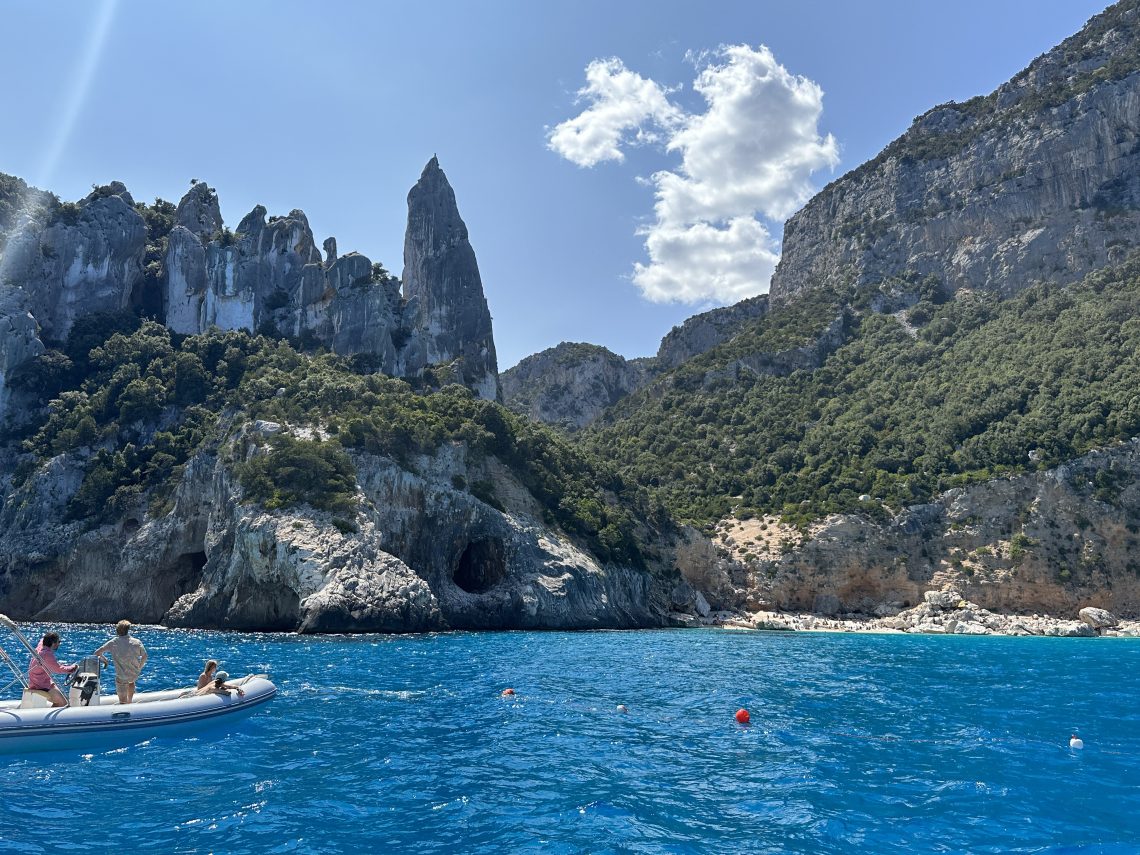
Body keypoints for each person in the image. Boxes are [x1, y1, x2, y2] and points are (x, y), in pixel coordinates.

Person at [94, 620, 148, 704]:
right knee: (131, 682)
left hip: (121, 675)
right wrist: (139, 667)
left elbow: (97, 653)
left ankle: (124, 704)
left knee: (122, 700)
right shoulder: (137, 642)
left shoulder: (113, 642)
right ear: (128, 630)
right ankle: (130, 702)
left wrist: (105, 660)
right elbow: (145, 656)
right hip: (134, 673)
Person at [27, 631, 78, 707]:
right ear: (53, 643)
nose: (59, 644)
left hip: (35, 683)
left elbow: (42, 640)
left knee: (59, 695)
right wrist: (72, 668)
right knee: (63, 702)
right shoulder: (47, 654)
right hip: (41, 685)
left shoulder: (40, 648)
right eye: (58, 642)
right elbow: (58, 669)